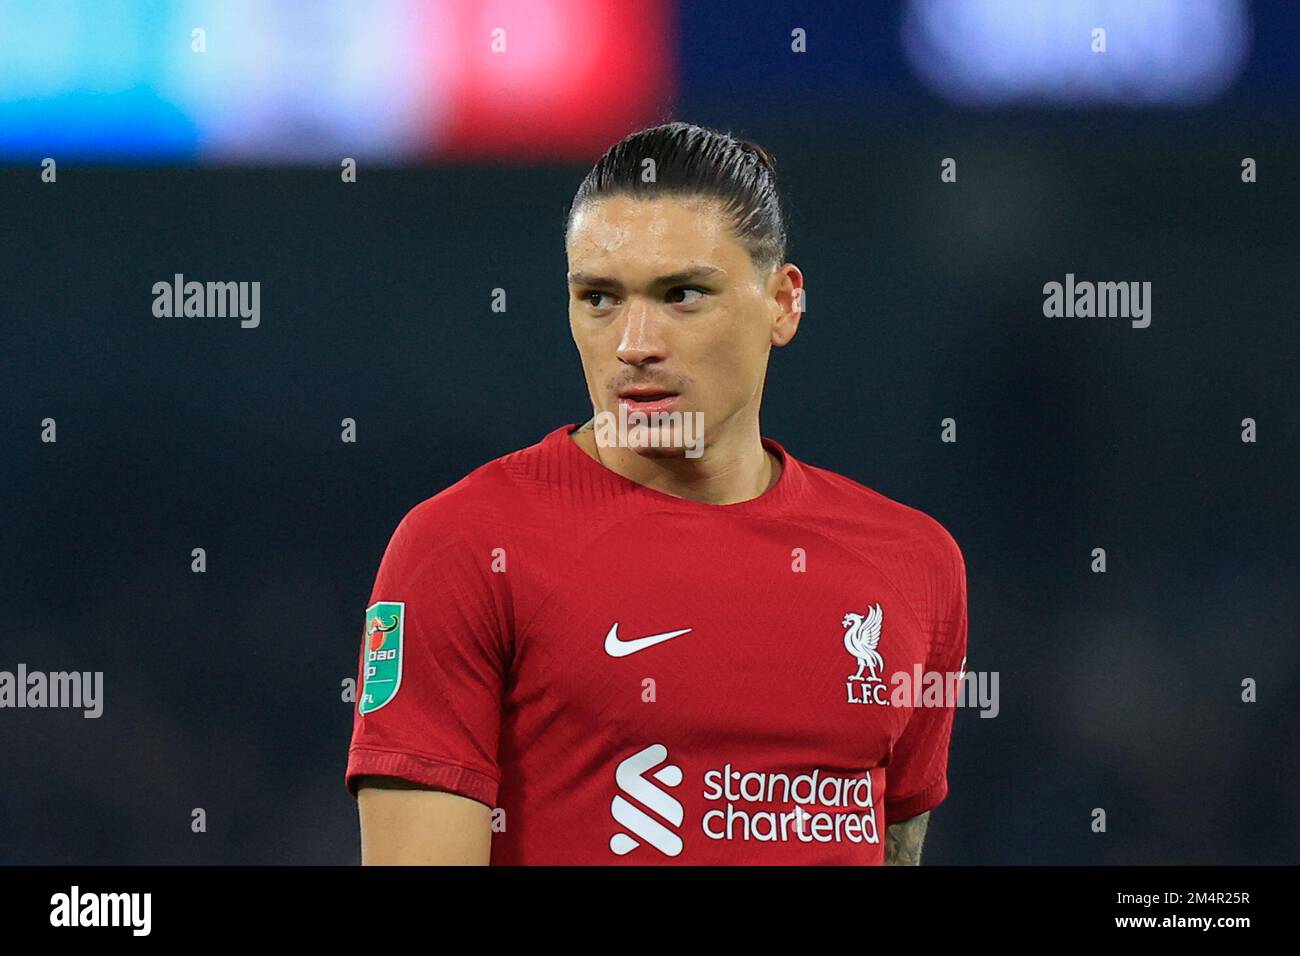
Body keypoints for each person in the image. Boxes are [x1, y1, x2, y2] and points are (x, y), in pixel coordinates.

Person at [346, 122, 968, 865]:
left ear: (783, 303)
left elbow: (897, 844)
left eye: (682, 294)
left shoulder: (914, 562)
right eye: (600, 298)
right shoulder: (466, 546)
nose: (634, 342)